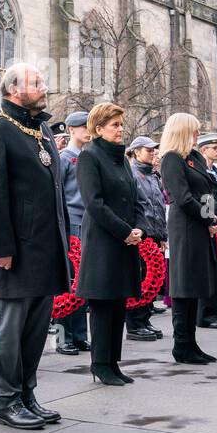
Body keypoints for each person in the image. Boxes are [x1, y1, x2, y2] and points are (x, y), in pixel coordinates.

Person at [0, 63, 70, 430]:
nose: (44, 86)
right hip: (15, 249)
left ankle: (28, 393)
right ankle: (7, 400)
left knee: (35, 328)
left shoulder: (41, 129)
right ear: (14, 89)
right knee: (11, 328)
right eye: (36, 82)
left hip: (45, 248)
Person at [74, 103, 144, 385]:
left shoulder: (122, 159)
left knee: (118, 304)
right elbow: (95, 203)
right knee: (103, 305)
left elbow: (134, 195)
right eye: (114, 125)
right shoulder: (89, 157)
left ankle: (113, 362)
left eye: (120, 124)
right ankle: (100, 363)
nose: (120, 129)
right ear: (98, 129)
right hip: (105, 241)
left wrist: (137, 227)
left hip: (125, 240)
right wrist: (124, 231)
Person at [159, 113, 217, 364]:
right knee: (184, 285)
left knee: (196, 284)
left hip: (200, 225)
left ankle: (191, 343)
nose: (197, 135)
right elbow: (183, 198)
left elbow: (208, 191)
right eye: (194, 131)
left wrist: (215, 217)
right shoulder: (171, 160)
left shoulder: (194, 158)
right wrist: (209, 220)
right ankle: (182, 344)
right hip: (185, 226)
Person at [53, 110, 92, 355]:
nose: (88, 130)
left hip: (86, 224)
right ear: (71, 130)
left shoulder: (87, 157)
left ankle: (79, 334)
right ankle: (62, 337)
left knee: (82, 283)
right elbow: (57, 194)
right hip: (69, 225)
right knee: (66, 284)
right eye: (83, 126)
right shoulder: (64, 158)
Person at [127, 136, 166, 341]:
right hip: (140, 233)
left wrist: (161, 235)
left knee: (151, 279)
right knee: (139, 279)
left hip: (153, 234)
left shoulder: (153, 175)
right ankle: (135, 322)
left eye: (153, 150)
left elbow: (158, 206)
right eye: (148, 150)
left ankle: (144, 318)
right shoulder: (132, 174)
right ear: (135, 152)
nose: (152, 153)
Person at [195, 133, 217, 328]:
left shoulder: (215, 171)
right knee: (207, 272)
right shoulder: (202, 172)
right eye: (214, 148)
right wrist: (211, 220)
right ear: (203, 150)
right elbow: (205, 199)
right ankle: (206, 313)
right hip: (207, 224)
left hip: (216, 223)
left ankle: (215, 311)